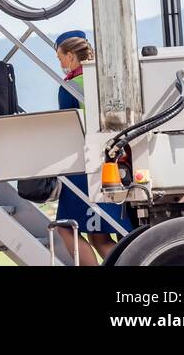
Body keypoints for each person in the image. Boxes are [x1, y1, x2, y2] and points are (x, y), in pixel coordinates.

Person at [52, 31, 129, 265]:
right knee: (100, 236)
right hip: (114, 163)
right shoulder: (106, 80)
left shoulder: (70, 87)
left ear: (71, 56)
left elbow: (69, 129)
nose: (60, 63)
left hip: (83, 166)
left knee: (66, 227)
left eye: (61, 57)